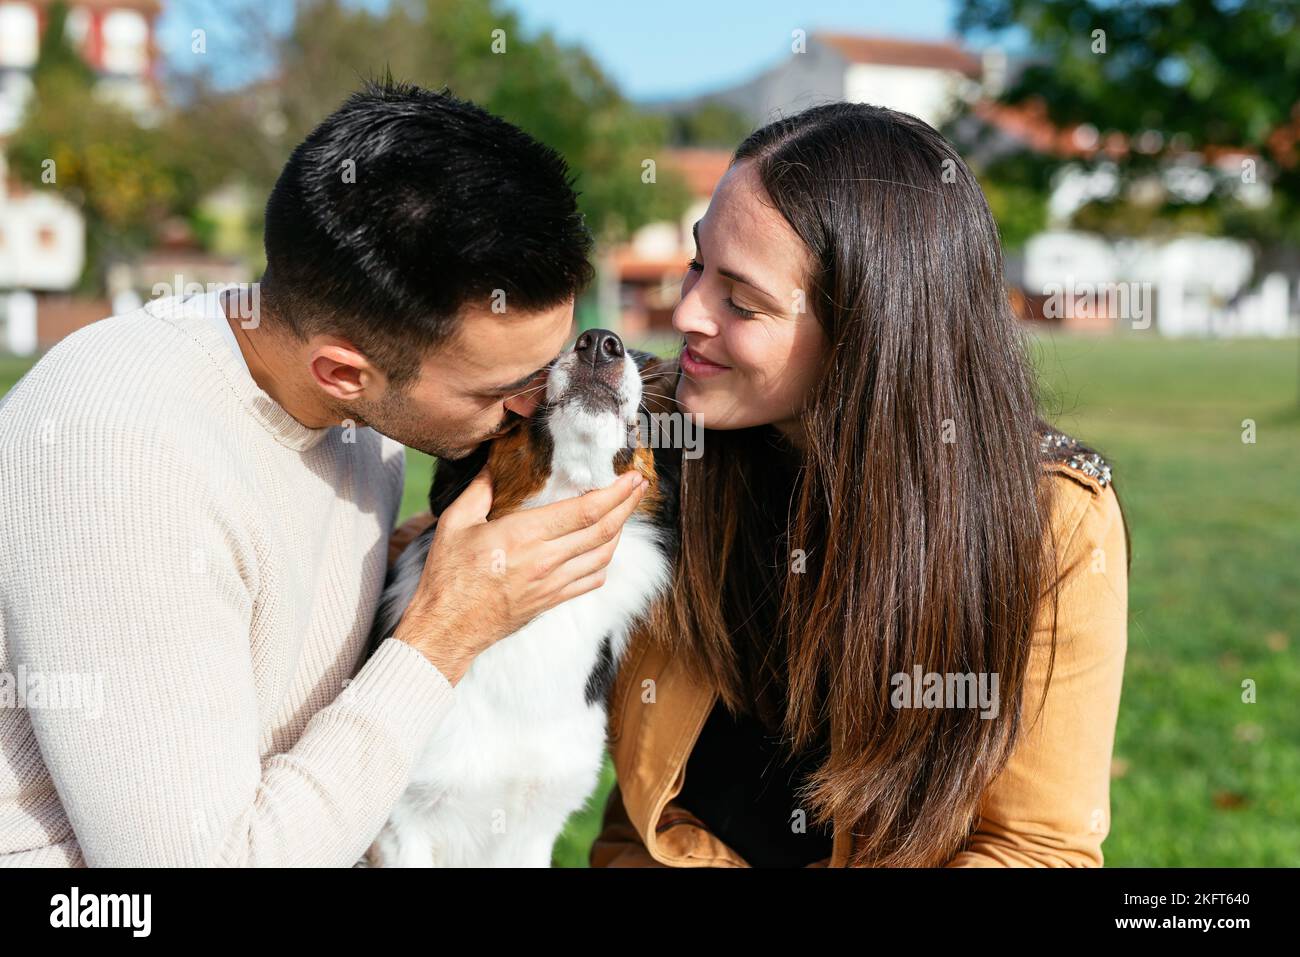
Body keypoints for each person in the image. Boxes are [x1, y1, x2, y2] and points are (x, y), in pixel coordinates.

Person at [0, 79, 645, 867]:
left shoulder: (356, 419)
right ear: (343, 372)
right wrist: (446, 629)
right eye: (499, 390)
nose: (526, 409)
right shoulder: (119, 452)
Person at [588, 101, 1129, 868]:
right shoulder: (655, 439)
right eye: (698, 265)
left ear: (868, 330)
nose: (687, 313)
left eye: (742, 301)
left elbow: (1035, 847)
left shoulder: (1051, 520)